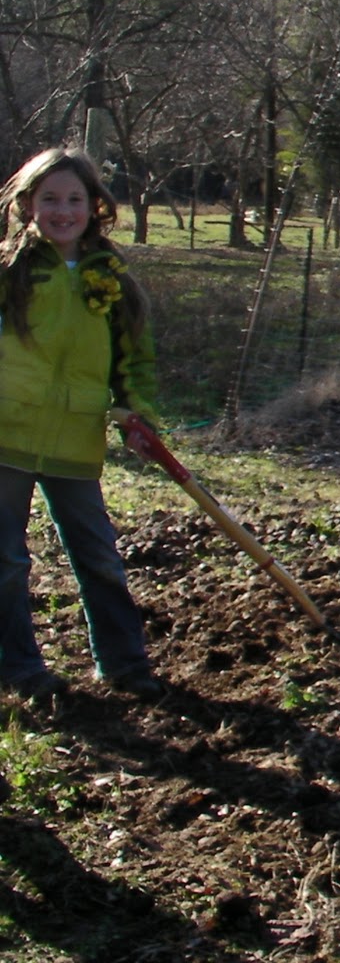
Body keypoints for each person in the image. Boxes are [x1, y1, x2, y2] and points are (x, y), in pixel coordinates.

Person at [0, 147, 164, 703]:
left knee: (98, 555)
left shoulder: (112, 280)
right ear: (27, 206)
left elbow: (132, 361)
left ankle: (124, 663)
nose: (62, 211)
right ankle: (19, 668)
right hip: (6, 436)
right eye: (50, 199)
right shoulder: (9, 273)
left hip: (75, 438)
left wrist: (136, 415)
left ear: (95, 207)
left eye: (74, 199)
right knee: (7, 562)